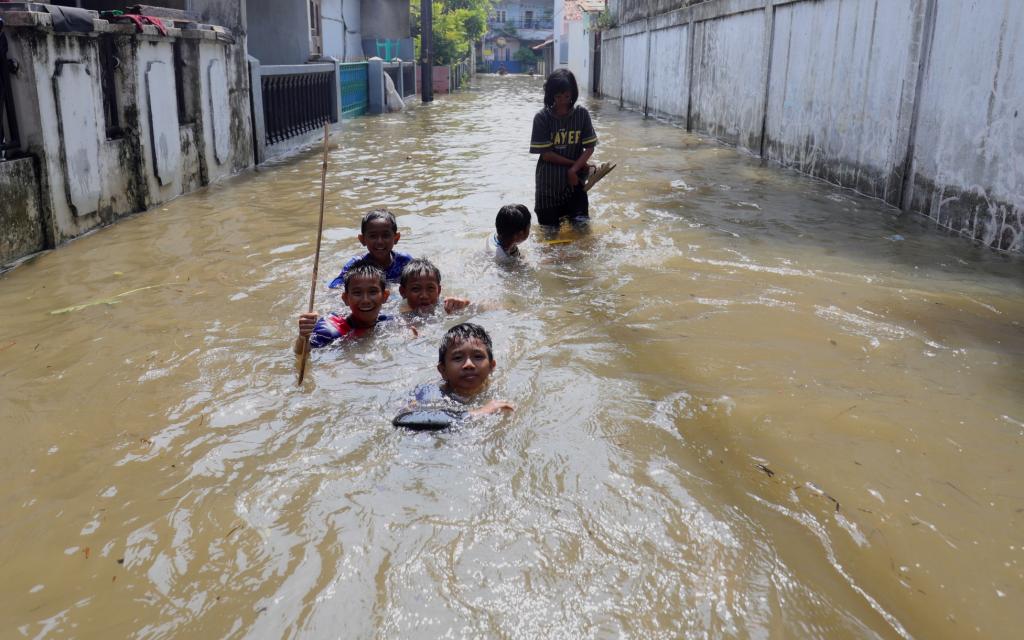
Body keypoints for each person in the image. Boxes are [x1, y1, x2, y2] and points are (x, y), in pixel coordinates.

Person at [393, 323, 514, 429]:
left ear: (491, 367)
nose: (469, 364)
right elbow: (403, 419)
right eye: (458, 358)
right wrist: (479, 413)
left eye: (478, 356)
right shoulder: (430, 392)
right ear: (443, 370)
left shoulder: (500, 387)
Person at [529, 69, 598, 227]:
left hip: (575, 184)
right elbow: (547, 155)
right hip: (548, 188)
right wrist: (575, 165)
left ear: (572, 94)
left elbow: (590, 147)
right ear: (551, 95)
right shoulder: (542, 118)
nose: (562, 102)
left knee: (582, 230)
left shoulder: (581, 115)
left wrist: (574, 170)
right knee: (549, 233)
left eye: (566, 96)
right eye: (558, 97)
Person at [294, 262, 394, 353]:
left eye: (373, 292)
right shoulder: (330, 329)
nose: (365, 300)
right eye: (357, 293)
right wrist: (303, 337)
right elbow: (303, 353)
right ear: (345, 299)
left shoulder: (387, 320)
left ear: (385, 296)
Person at [328, 208, 412, 288]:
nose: (379, 241)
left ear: (396, 238)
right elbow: (335, 287)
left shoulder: (404, 261)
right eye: (373, 236)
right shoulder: (357, 264)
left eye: (385, 235)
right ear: (362, 240)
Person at [398, 258, 471, 315]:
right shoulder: (398, 314)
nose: (424, 296)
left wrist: (463, 304)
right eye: (416, 289)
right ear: (403, 292)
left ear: (438, 291)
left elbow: (476, 307)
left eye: (430, 288)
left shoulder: (445, 305)